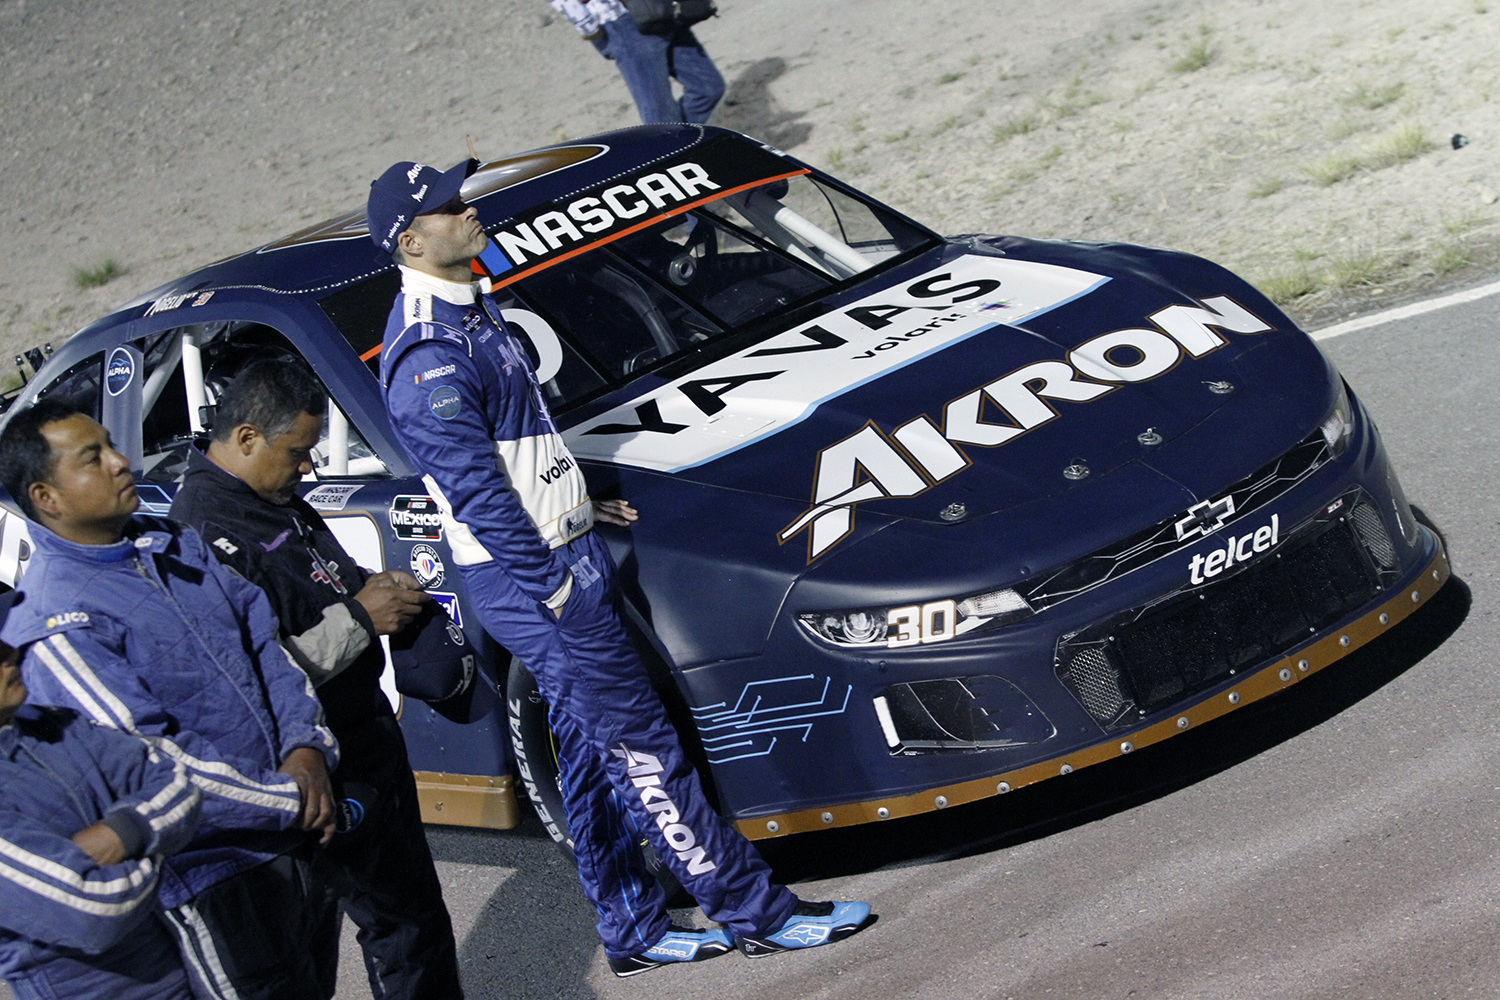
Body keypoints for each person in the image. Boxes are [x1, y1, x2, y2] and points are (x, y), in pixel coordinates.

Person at [367, 158, 875, 976]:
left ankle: (631, 929)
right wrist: (555, 582)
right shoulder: (426, 349)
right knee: (643, 747)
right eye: (450, 208)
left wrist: (574, 498)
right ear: (409, 238)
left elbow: (518, 451)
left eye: (464, 199)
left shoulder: (470, 305)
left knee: (596, 762)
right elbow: (477, 495)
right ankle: (754, 911)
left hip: (560, 550)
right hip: (537, 582)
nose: (470, 213)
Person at [0, 400, 342, 1000]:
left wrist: (305, 745)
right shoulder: (58, 620)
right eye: (93, 458)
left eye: (110, 443)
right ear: (46, 497)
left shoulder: (171, 541)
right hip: (215, 875)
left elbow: (265, 642)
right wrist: (293, 796)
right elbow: (155, 763)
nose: (119, 461)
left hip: (297, 835)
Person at [169, 358, 465, 1000]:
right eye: (298, 451)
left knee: (416, 922)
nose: (309, 467)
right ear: (246, 438)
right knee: (368, 938)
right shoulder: (199, 534)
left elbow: (325, 577)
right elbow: (245, 676)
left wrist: (376, 586)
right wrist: (362, 617)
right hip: (311, 765)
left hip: (367, 739)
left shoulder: (274, 495)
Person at [0, 590, 204, 1000]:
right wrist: (159, 847)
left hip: (188, 976)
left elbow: (180, 780)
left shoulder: (53, 724)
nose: (10, 650)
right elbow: (94, 911)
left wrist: (121, 834)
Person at [547, 0, 726, 125]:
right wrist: (593, 31)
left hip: (663, 12)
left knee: (708, 88)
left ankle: (678, 147)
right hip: (620, 23)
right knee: (661, 116)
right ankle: (672, 155)